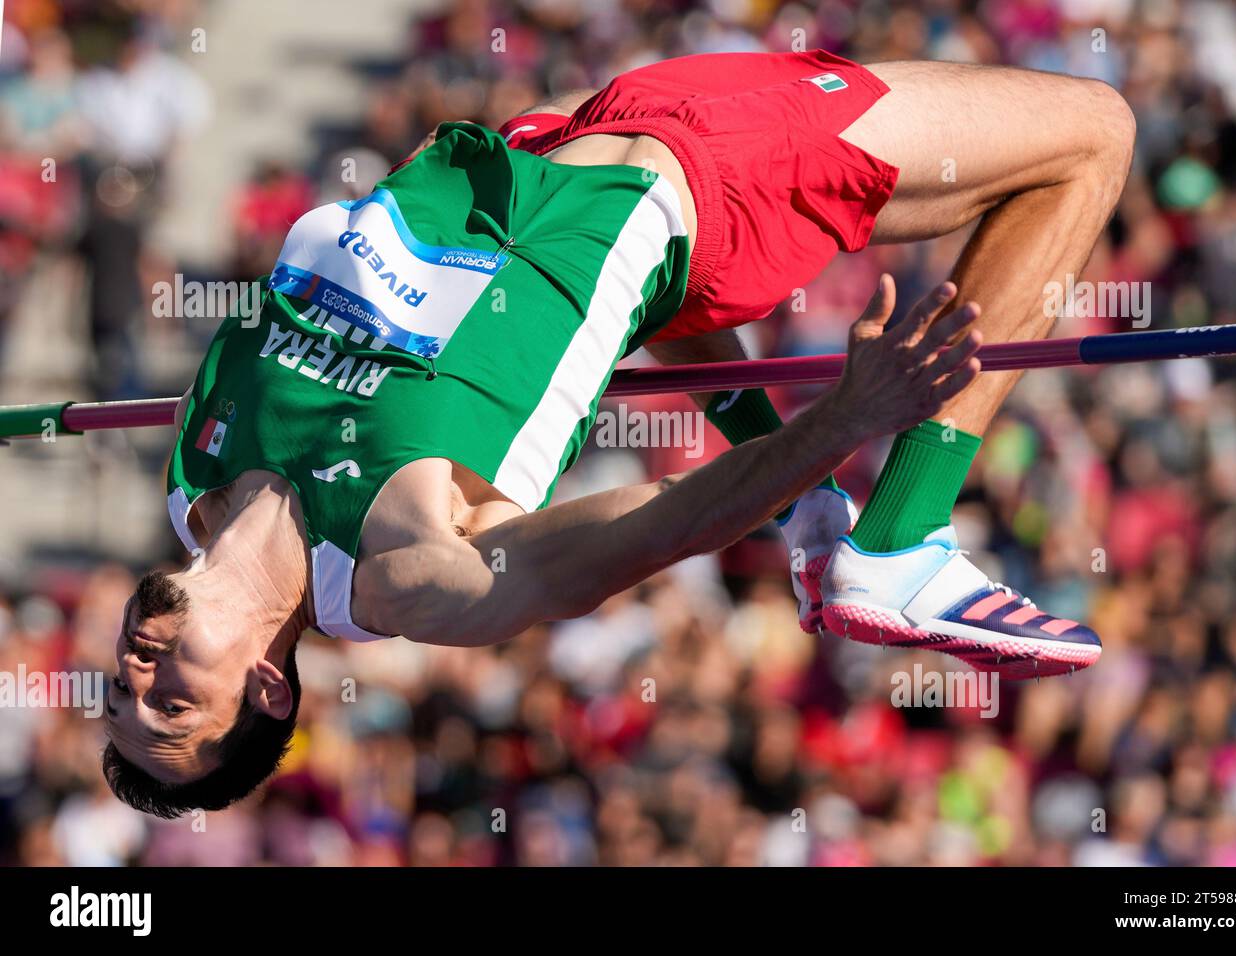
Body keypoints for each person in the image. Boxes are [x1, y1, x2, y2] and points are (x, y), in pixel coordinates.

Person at [105, 49, 1134, 816]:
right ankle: (904, 536)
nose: (136, 676)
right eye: (172, 711)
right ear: (269, 685)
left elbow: (604, 315)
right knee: (1090, 131)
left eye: (117, 692)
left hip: (582, 131)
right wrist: (845, 422)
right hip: (713, 174)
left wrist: (802, 500)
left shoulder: (195, 463)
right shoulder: (406, 572)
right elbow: (662, 524)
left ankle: (831, 527)